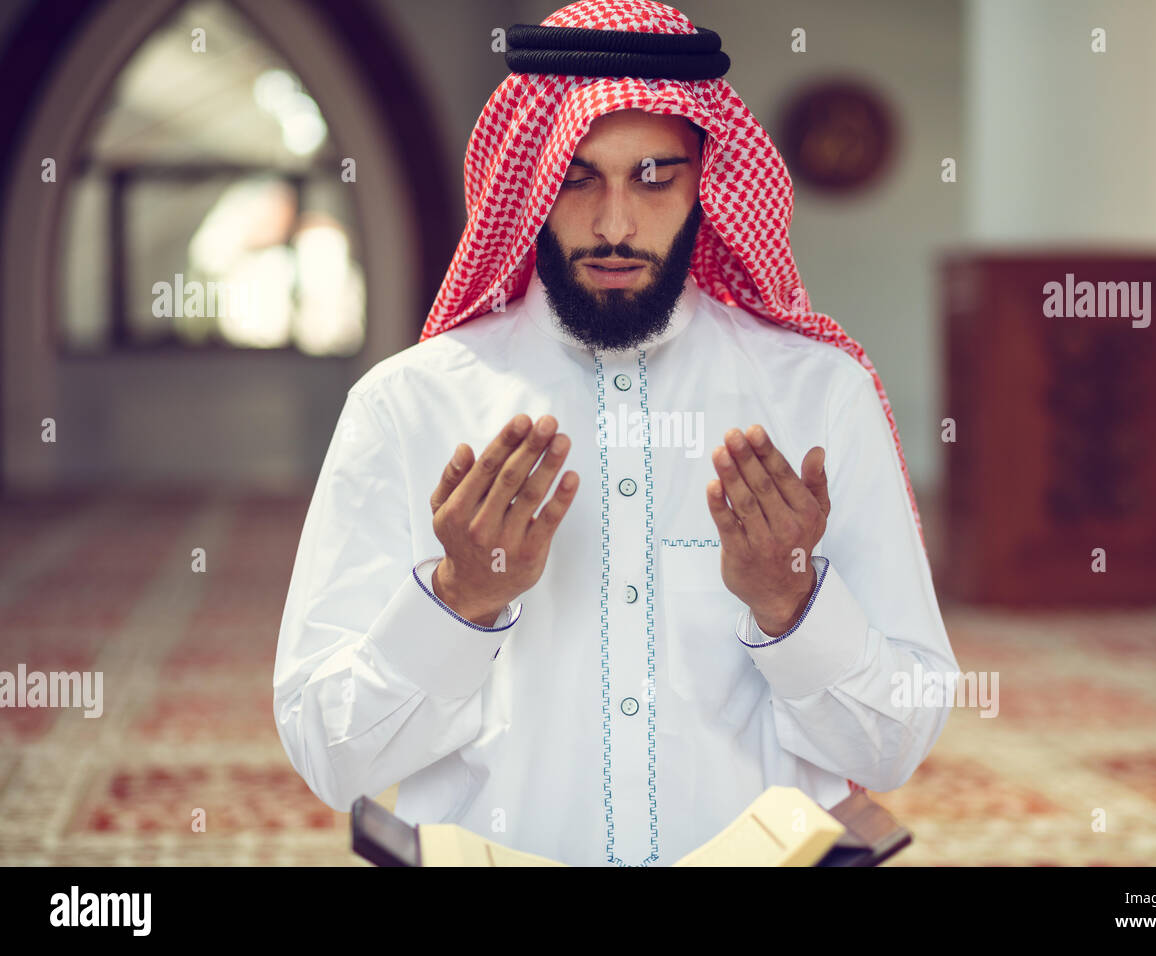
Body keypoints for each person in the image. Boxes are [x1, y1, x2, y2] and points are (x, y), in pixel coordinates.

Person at [273, 0, 958, 867]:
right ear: (529, 182)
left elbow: (893, 748)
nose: (613, 225)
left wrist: (791, 604)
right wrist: (459, 599)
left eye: (653, 177)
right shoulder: (408, 407)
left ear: (706, 181)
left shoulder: (819, 396)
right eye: (577, 177)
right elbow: (330, 758)